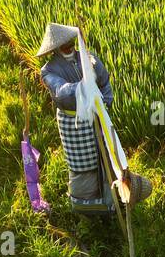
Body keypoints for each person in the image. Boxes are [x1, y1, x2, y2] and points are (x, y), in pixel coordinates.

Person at [36, 22, 114, 214]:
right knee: (83, 163)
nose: (69, 46)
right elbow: (61, 92)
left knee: (105, 156)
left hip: (97, 115)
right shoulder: (49, 70)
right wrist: (84, 85)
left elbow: (104, 82)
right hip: (74, 123)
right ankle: (86, 206)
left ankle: (110, 199)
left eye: (71, 41)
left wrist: (104, 102)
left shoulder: (89, 58)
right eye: (63, 44)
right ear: (55, 48)